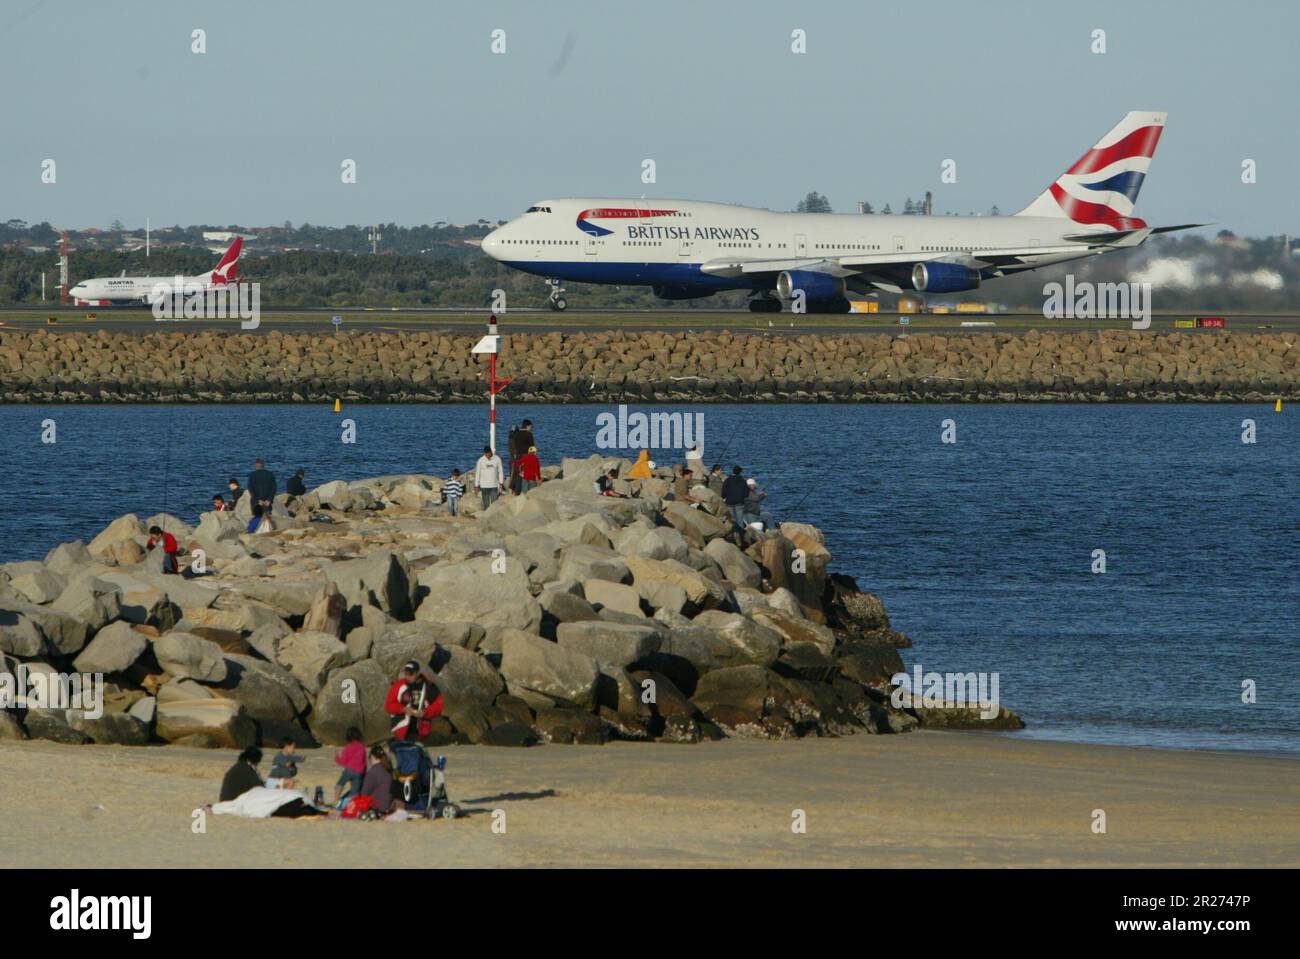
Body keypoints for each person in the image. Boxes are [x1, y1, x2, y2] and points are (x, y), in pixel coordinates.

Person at [384, 660, 445, 742]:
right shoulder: (398, 686)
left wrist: (425, 713)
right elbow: (388, 706)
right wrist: (403, 709)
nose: (408, 677)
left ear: (417, 673)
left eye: (411, 674)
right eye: (406, 674)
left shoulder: (429, 686)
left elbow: (439, 706)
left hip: (422, 732)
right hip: (401, 731)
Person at [359, 745, 396, 815]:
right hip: (389, 806)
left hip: (377, 808)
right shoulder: (388, 769)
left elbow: (364, 793)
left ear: (372, 757)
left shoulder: (373, 771)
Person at [334, 727, 366, 804]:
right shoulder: (362, 747)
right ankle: (352, 804)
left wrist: (337, 757)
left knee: (340, 784)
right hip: (359, 772)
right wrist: (363, 772)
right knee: (355, 791)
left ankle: (336, 800)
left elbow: (343, 761)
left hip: (349, 770)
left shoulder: (348, 747)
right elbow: (364, 762)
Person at [474, 446, 506, 510]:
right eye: (486, 454)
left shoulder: (497, 459)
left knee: (494, 505)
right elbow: (477, 473)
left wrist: (501, 483)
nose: (487, 456)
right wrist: (476, 486)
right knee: (486, 505)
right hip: (484, 486)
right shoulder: (480, 460)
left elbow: (500, 471)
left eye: (488, 454)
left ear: (491, 452)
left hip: (494, 485)